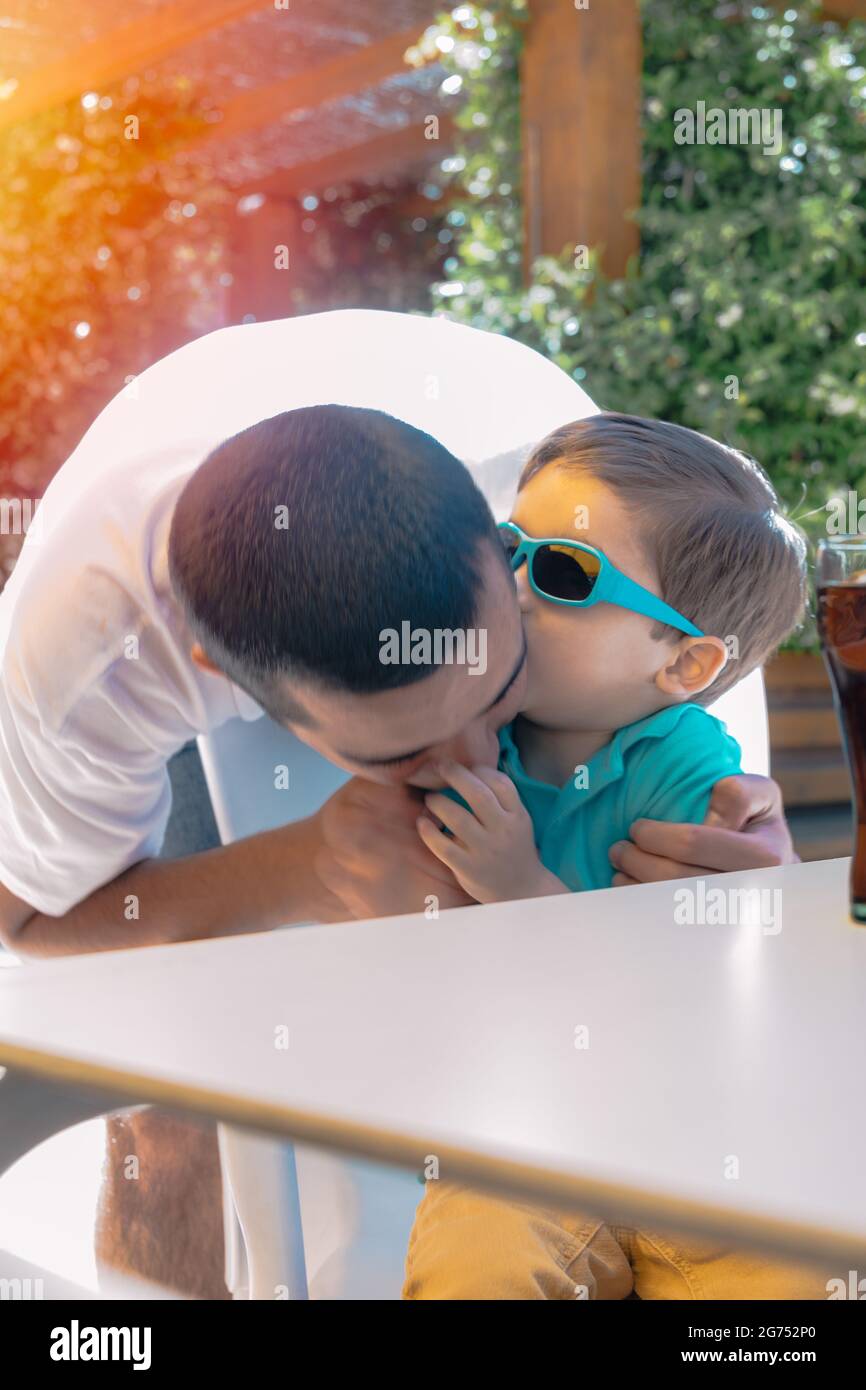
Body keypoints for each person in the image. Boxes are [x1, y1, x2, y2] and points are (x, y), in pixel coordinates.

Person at [0, 311, 796, 1295]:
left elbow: (724, 950)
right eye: (413, 750)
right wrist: (300, 863)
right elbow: (30, 922)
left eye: (501, 687)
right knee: (159, 1092)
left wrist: (763, 883)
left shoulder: (567, 514)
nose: (475, 758)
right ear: (244, 689)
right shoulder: (84, 666)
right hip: (184, 618)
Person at [403, 412, 830, 1300]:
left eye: (562, 572)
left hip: (694, 1137)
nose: (512, 584)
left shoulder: (692, 776)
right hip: (523, 1127)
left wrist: (522, 887)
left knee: (798, 1276)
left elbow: (678, 995)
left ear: (683, 664)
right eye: (507, 544)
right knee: (475, 1266)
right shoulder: (464, 732)